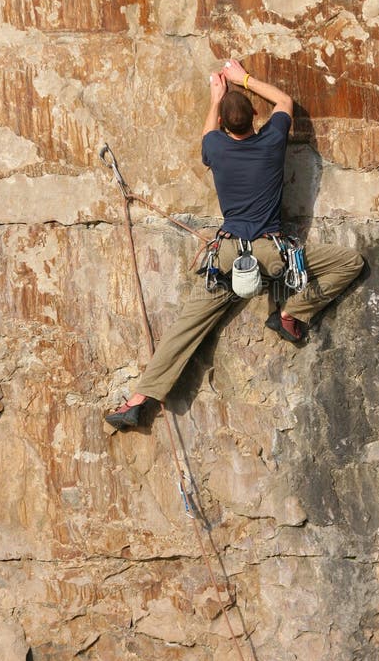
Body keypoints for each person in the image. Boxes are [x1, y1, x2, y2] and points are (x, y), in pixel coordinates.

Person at [105, 59, 364, 430]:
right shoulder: (273, 141)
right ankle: (291, 314)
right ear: (256, 117)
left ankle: (138, 400)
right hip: (272, 255)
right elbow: (285, 101)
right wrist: (244, 78)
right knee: (349, 262)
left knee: (187, 327)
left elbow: (208, 133)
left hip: (227, 259)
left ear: (225, 127)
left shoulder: (217, 148)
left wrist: (216, 98)